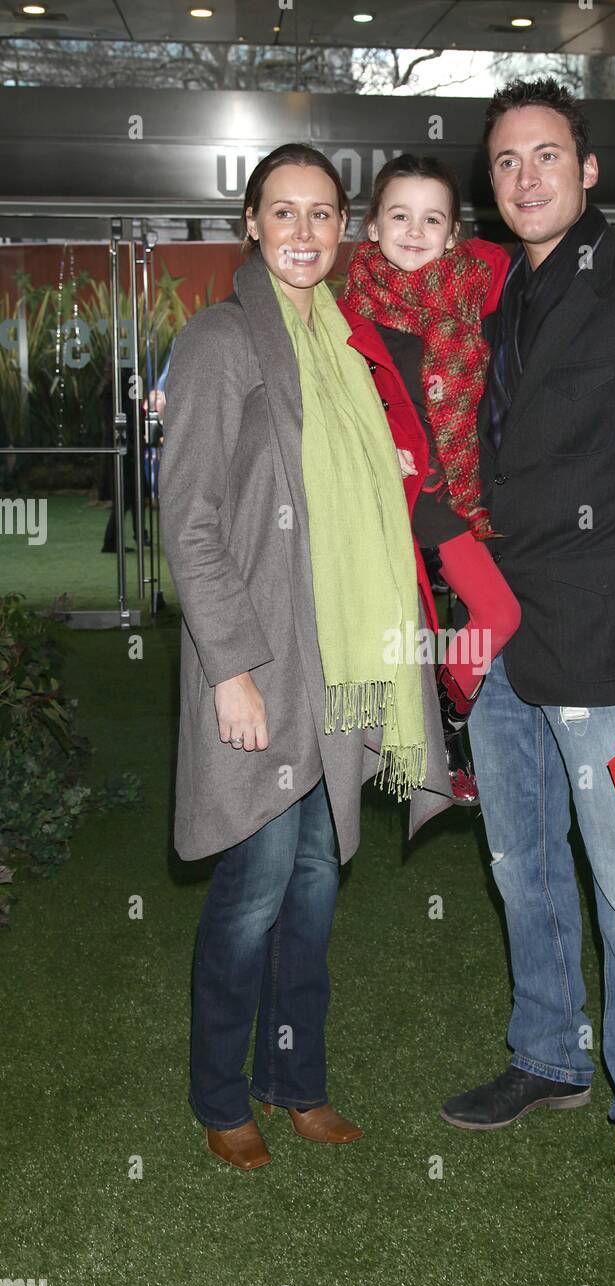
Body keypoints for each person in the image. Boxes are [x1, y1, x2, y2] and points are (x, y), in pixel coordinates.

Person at [440, 80, 615, 1255]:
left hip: (608, 650)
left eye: (545, 156)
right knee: (519, 866)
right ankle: (545, 1056)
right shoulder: (501, 294)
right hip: (505, 639)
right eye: (505, 162)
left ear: (588, 169)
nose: (524, 179)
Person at [159, 143, 453, 1172]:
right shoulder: (218, 341)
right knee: (255, 885)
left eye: (321, 214)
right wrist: (230, 668)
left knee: (319, 880)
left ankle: (295, 1079)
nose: (300, 232)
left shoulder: (345, 347)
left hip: (336, 667)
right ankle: (219, 1093)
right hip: (259, 663)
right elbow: (187, 523)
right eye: (280, 212)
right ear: (248, 224)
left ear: (342, 231)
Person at [337, 154, 521, 803]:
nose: (414, 231)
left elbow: (507, 255)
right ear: (371, 226)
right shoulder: (346, 314)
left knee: (497, 613)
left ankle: (447, 714)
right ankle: (407, 752)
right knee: (387, 638)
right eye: (399, 215)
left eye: (431, 218)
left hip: (454, 498)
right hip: (382, 506)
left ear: (452, 233)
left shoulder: (475, 284)